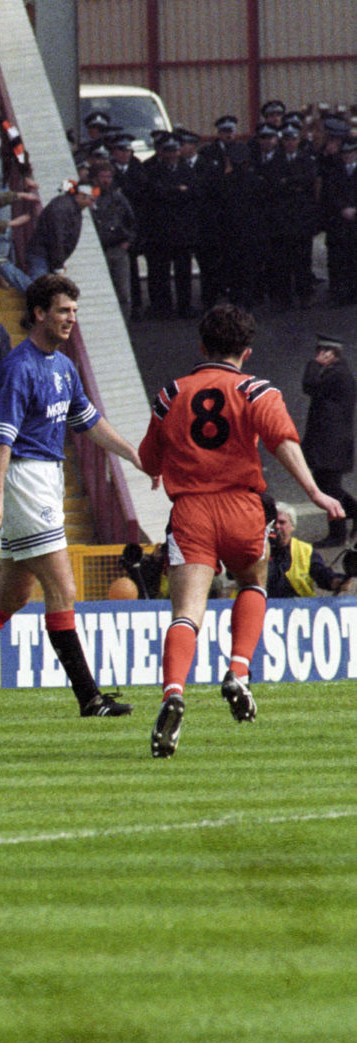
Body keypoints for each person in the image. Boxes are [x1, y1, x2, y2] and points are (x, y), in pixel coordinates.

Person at [0, 274, 149, 720]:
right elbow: (3, 437)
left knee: (9, 596)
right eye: (64, 310)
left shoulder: (63, 366)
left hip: (45, 479)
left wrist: (132, 453)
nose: (71, 318)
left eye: (74, 311)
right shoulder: (17, 367)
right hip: (26, 481)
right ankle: (90, 698)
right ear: (40, 313)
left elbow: (89, 420)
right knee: (63, 589)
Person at [138, 304, 344, 758]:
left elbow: (150, 459)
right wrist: (314, 492)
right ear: (246, 352)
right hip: (241, 506)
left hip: (190, 508)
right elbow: (283, 441)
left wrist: (162, 466)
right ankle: (238, 670)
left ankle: (174, 692)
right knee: (252, 582)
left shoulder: (171, 393)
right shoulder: (256, 390)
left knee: (187, 613)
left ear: (201, 346)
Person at [301, 334, 356, 548]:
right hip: (330, 442)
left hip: (332, 444)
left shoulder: (338, 375)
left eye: (321, 352)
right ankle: (352, 512)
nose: (317, 356)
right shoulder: (336, 373)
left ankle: (337, 533)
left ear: (332, 354)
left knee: (329, 489)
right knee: (327, 486)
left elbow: (309, 385)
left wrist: (313, 365)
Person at [266, 501, 348, 599]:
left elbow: (320, 573)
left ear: (292, 526)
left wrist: (335, 581)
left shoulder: (304, 550)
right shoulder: (258, 549)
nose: (277, 526)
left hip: (300, 607)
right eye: (273, 522)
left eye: (282, 522)